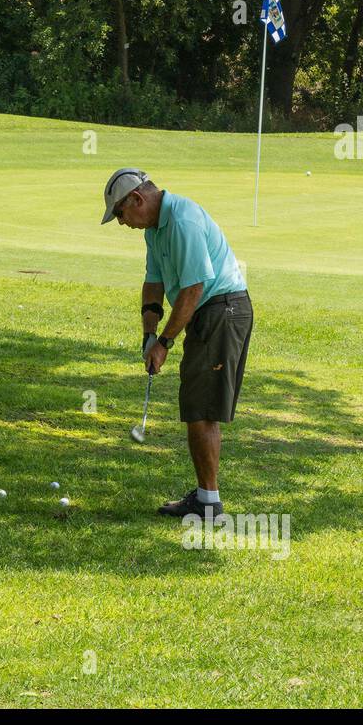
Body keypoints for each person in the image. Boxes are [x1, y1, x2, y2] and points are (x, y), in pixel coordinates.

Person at [100, 168, 253, 518]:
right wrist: (148, 334)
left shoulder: (182, 220)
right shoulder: (154, 231)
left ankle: (208, 503)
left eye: (121, 214)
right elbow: (153, 283)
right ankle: (205, 498)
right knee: (195, 404)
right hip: (208, 312)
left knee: (202, 408)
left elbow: (193, 289)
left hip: (222, 310)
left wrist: (165, 344)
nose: (122, 223)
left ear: (137, 199)